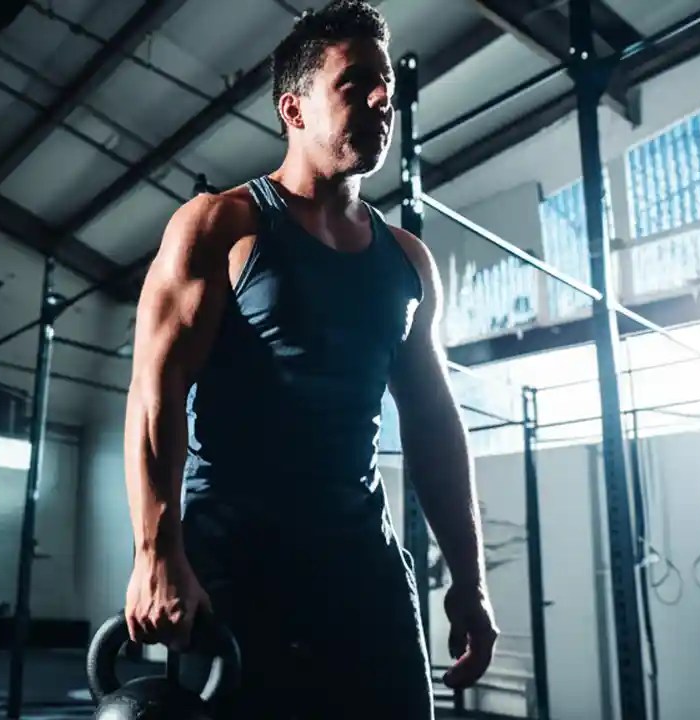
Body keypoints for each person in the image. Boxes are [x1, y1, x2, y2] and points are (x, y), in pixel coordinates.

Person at [122, 2, 498, 717]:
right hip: (234, 565)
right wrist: (155, 554)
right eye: (356, 83)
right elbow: (154, 393)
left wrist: (469, 579)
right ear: (293, 109)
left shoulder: (407, 261)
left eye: (386, 83)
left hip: (363, 568)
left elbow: (434, 424)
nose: (384, 98)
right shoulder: (221, 225)